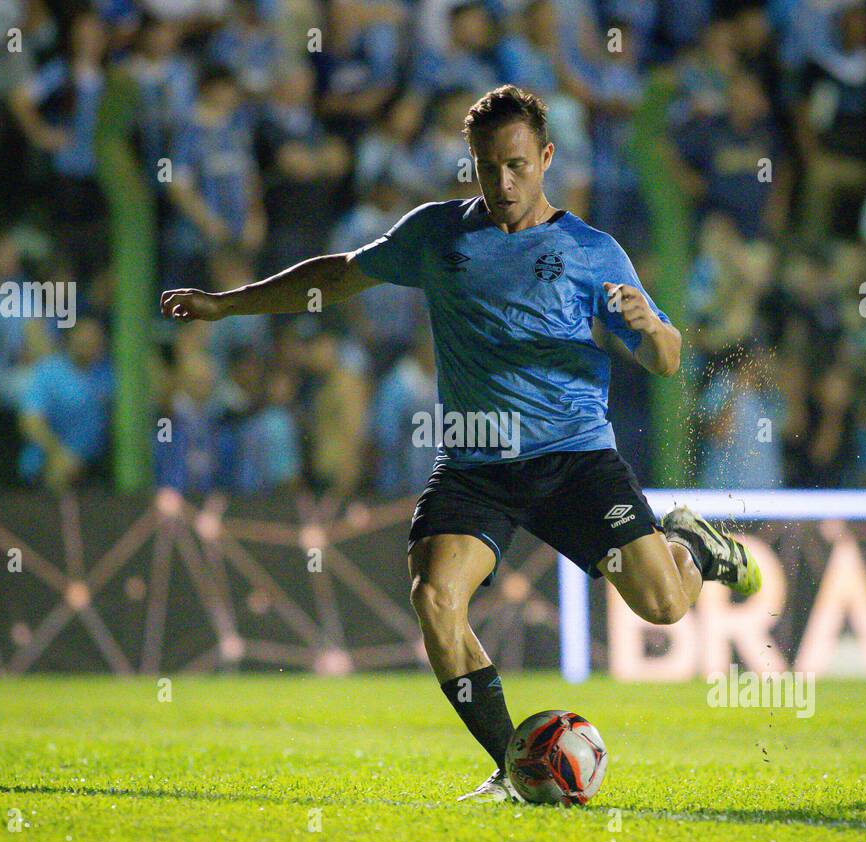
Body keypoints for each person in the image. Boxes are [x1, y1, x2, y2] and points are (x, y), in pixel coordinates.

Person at [162, 85, 761, 801]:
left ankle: (693, 545)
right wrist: (226, 305)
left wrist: (653, 326)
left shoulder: (590, 252)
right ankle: (513, 768)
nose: (502, 184)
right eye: (485, 168)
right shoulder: (437, 234)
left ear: (545, 158)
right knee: (435, 598)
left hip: (573, 458)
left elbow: (665, 358)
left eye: (515, 166)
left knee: (664, 605)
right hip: (475, 460)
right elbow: (335, 277)